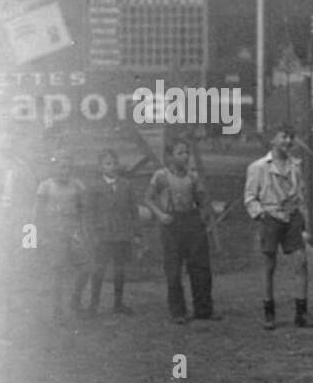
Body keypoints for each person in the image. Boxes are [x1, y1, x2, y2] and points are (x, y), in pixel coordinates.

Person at [245, 126, 313, 330]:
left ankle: (301, 313)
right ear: (272, 140)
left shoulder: (296, 165)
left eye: (291, 137)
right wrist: (262, 215)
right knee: (269, 266)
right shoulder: (259, 167)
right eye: (283, 137)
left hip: (292, 217)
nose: (288, 141)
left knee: (301, 262)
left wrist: (302, 221)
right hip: (270, 217)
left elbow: (301, 194)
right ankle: (269, 313)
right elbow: (250, 197)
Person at [144, 139, 218, 324]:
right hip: (171, 224)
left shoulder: (192, 176)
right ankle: (178, 312)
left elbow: (202, 201)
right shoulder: (160, 176)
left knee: (200, 268)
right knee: (174, 270)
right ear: (169, 157)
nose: (185, 156)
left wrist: (204, 216)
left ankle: (203, 310)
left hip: (192, 222)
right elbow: (148, 199)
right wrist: (160, 215)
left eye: (187, 152)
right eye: (180, 153)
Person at [33, 154, 89, 324]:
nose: (65, 171)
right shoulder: (45, 186)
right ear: (53, 168)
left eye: (68, 167)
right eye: (61, 167)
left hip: (73, 232)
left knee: (85, 267)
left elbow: (83, 211)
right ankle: (57, 308)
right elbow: (37, 213)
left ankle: (75, 300)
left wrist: (84, 231)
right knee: (58, 272)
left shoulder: (77, 185)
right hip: (54, 232)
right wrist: (37, 235)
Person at [85, 149, 140, 316]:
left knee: (119, 269)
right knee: (99, 269)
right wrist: (92, 233)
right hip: (103, 235)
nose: (112, 167)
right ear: (100, 167)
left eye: (114, 163)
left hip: (122, 234)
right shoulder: (95, 187)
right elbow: (90, 212)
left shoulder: (126, 185)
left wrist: (136, 233)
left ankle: (118, 303)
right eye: (108, 163)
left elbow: (133, 210)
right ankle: (93, 304)